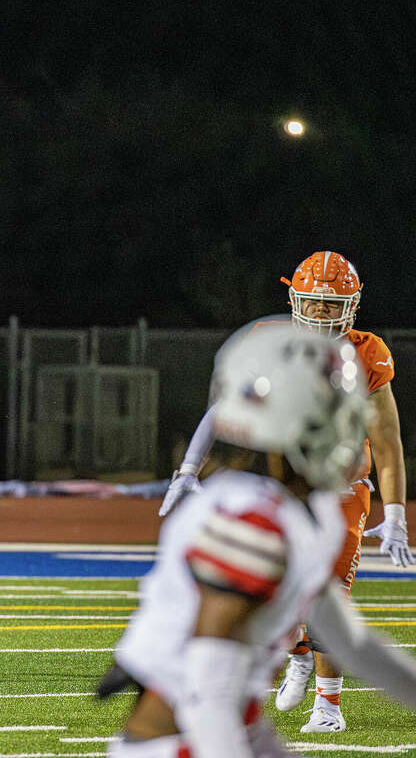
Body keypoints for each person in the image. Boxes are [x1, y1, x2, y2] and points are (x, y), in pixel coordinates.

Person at [102, 322, 416, 758]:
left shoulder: (308, 513)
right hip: (182, 739)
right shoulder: (251, 520)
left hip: (233, 723)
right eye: (336, 417)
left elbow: (350, 641)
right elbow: (208, 686)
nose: (351, 434)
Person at [160, 251, 410, 732]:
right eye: (313, 303)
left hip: (338, 492)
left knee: (322, 591)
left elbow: (385, 439)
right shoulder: (272, 347)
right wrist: (188, 469)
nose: (320, 313)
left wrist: (394, 511)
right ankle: (296, 655)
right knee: (285, 598)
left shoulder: (365, 352)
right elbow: (224, 408)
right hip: (198, 720)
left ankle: (327, 704)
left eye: (330, 304)